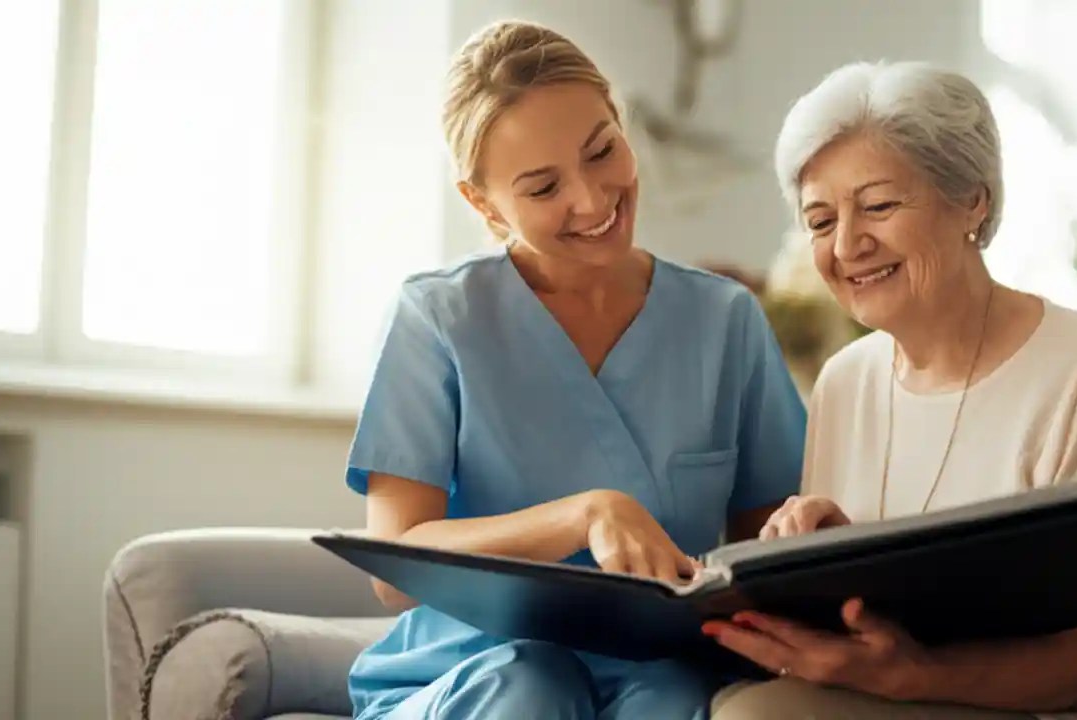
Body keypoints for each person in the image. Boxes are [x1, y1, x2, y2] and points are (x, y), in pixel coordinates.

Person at [704, 60, 1077, 720]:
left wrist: (908, 673)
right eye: (820, 220)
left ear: (972, 199)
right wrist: (821, 567)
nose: (848, 243)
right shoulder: (845, 383)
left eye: (880, 205)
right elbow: (894, 620)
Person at [341, 20, 807, 720]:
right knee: (531, 686)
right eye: (542, 186)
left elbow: (772, 543)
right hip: (473, 674)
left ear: (620, 124)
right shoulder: (437, 319)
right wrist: (586, 514)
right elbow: (396, 570)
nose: (591, 200)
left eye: (601, 151)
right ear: (483, 203)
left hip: (660, 669)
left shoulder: (724, 320)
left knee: (677, 698)